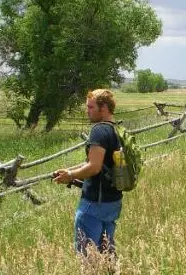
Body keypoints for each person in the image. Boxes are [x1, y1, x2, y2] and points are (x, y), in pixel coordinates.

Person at [53, 89, 122, 255]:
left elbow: (94, 167)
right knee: (106, 254)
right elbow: (105, 166)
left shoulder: (99, 130)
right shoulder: (116, 130)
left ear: (103, 108)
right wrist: (72, 173)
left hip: (94, 203)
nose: (87, 111)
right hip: (112, 201)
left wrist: (69, 175)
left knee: (87, 257)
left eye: (91, 107)